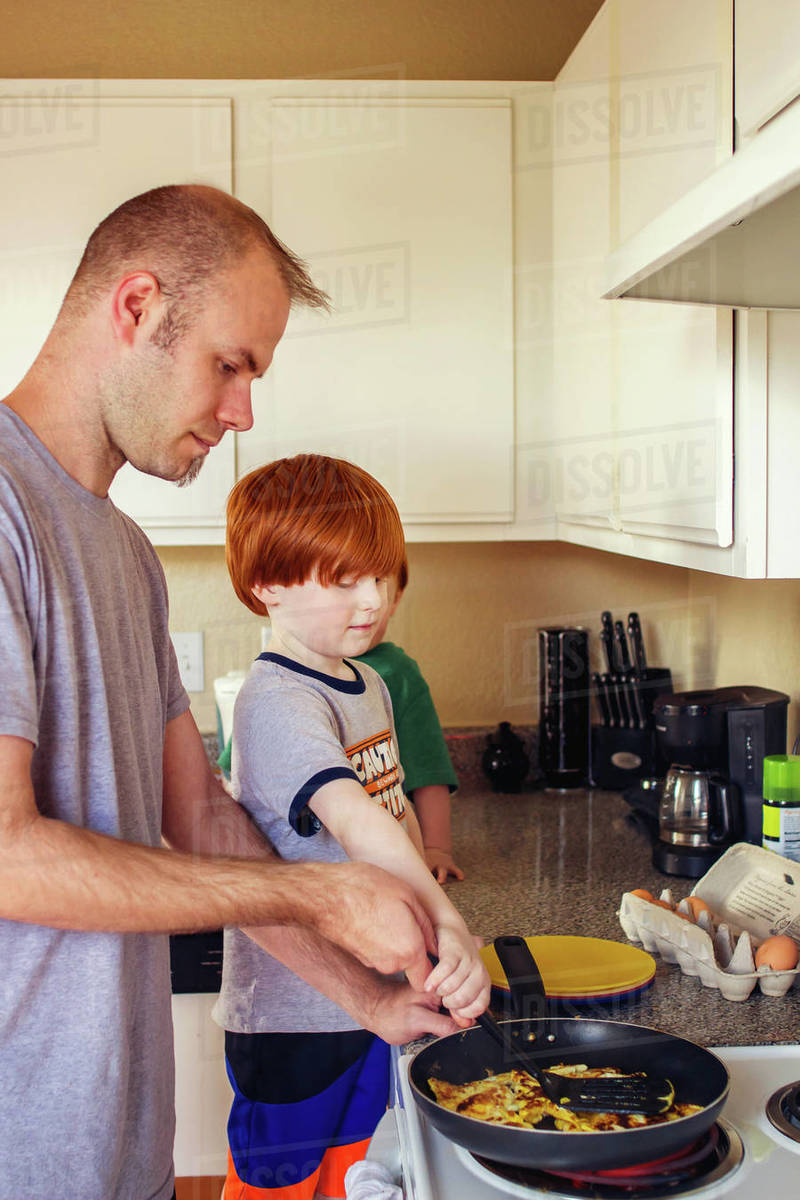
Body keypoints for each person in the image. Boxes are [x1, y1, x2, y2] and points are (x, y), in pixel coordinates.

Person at [0, 184, 469, 1200]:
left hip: (120, 1148)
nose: (243, 410)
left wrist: (368, 1000)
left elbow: (203, 816)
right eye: (230, 363)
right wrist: (321, 891)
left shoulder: (124, 553)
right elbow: (6, 853)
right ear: (134, 307)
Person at [217, 453, 490, 1200]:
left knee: (365, 1176)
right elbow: (357, 819)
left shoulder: (365, 680)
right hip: (297, 1015)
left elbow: (394, 812)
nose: (374, 599)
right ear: (266, 586)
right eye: (342, 579)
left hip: (375, 993)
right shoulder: (277, 702)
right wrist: (451, 925)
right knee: (284, 1183)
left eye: (381, 574)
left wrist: (429, 948)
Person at [355, 557, 464, 884]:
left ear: (395, 599)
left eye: (378, 582)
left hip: (391, 863)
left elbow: (428, 770)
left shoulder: (398, 675)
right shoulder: (290, 674)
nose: (366, 602)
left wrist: (436, 849)